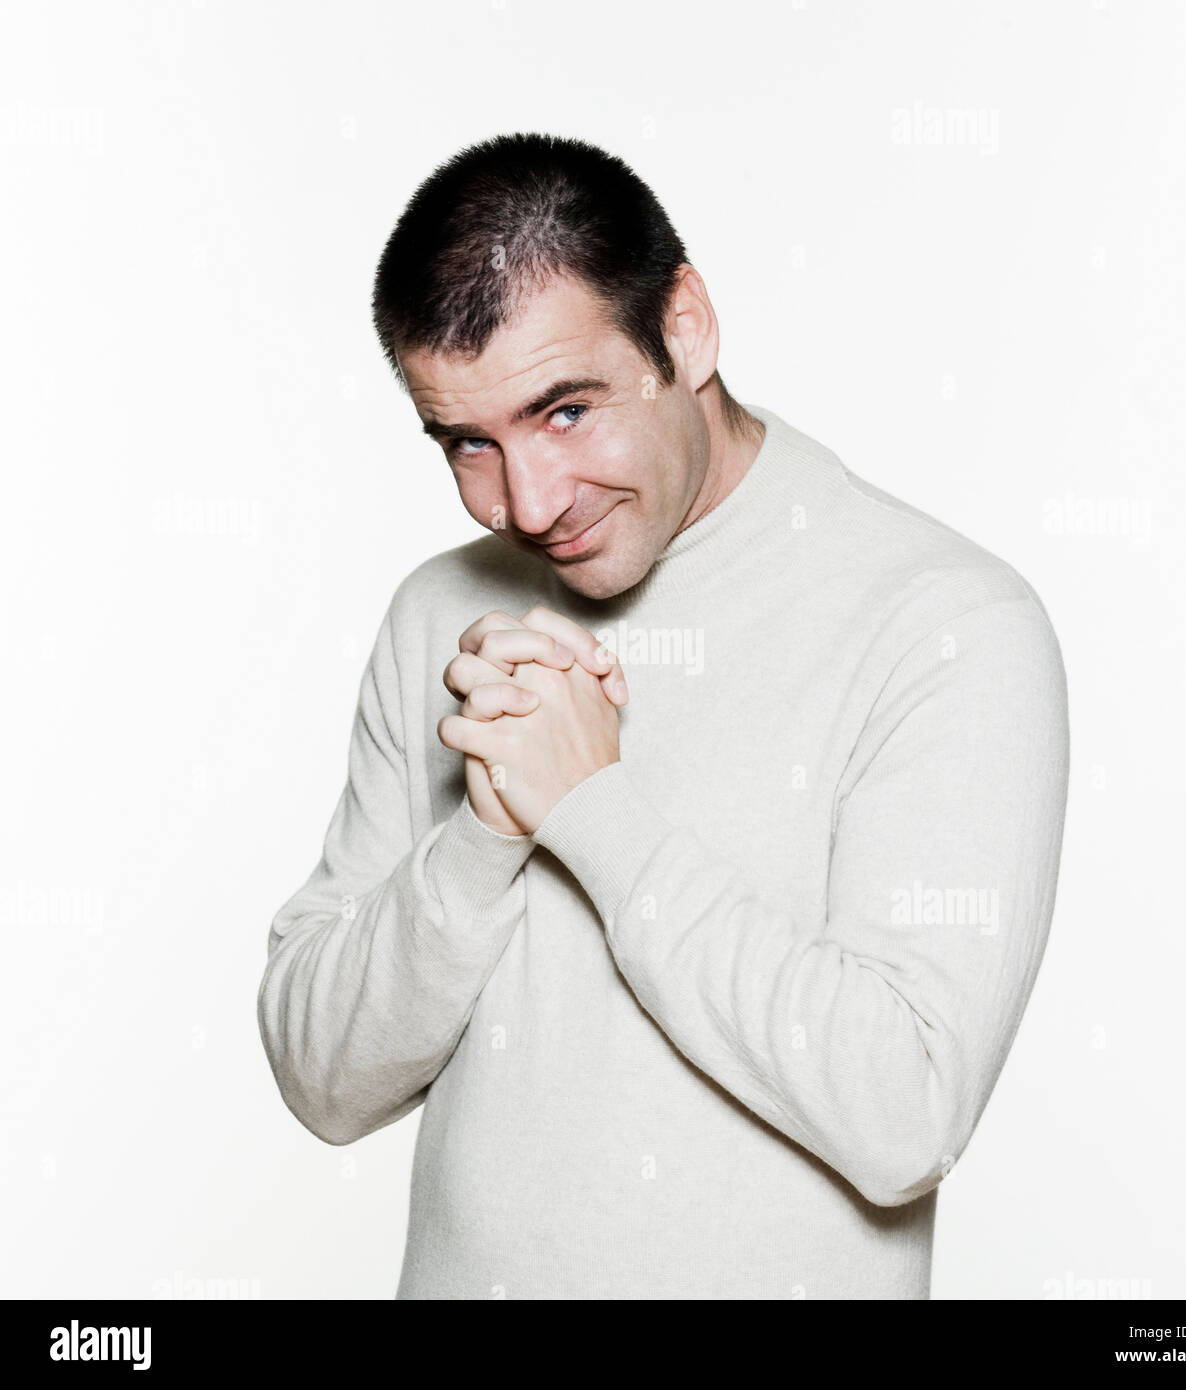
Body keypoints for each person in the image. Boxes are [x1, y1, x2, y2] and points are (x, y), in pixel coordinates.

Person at [256, 131, 1070, 1299]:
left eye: (566, 411)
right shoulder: (440, 610)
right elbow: (321, 1079)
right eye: (468, 444)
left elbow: (907, 1111)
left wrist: (591, 809)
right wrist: (483, 837)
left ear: (683, 327)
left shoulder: (942, 622)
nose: (527, 504)